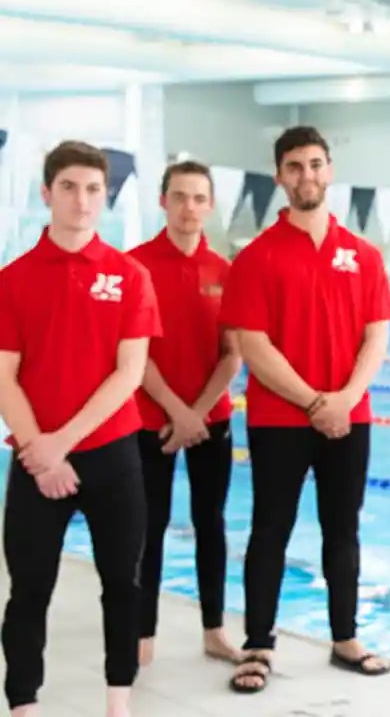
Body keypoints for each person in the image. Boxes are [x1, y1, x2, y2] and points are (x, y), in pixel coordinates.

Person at [219, 126, 390, 693]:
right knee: (270, 530)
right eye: (294, 167)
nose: (307, 176)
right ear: (279, 177)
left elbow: (377, 336)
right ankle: (257, 645)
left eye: (315, 164)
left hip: (350, 416)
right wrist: (317, 401)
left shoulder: (363, 255)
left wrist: (344, 400)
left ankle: (345, 638)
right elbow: (253, 344)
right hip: (278, 421)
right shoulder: (256, 257)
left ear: (330, 169)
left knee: (343, 531)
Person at [0, 140, 161, 716]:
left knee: (123, 584)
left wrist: (57, 446)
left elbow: (129, 373)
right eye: (68, 186)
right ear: (47, 193)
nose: (82, 199)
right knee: (29, 590)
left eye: (94, 188)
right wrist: (39, 455)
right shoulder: (13, 279)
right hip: (34, 459)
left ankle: (118, 702)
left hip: (110, 455)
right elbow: (4, 378)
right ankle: (24, 705)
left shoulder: (129, 275)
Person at [127, 160, 241, 668]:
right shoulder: (134, 267)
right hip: (150, 420)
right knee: (147, 527)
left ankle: (214, 630)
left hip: (209, 419)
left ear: (210, 205)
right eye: (179, 196)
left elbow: (232, 353)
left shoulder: (225, 272)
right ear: (162, 202)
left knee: (210, 524)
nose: (189, 207)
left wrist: (195, 414)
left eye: (198, 198)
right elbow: (133, 355)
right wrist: (177, 411)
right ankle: (141, 633)